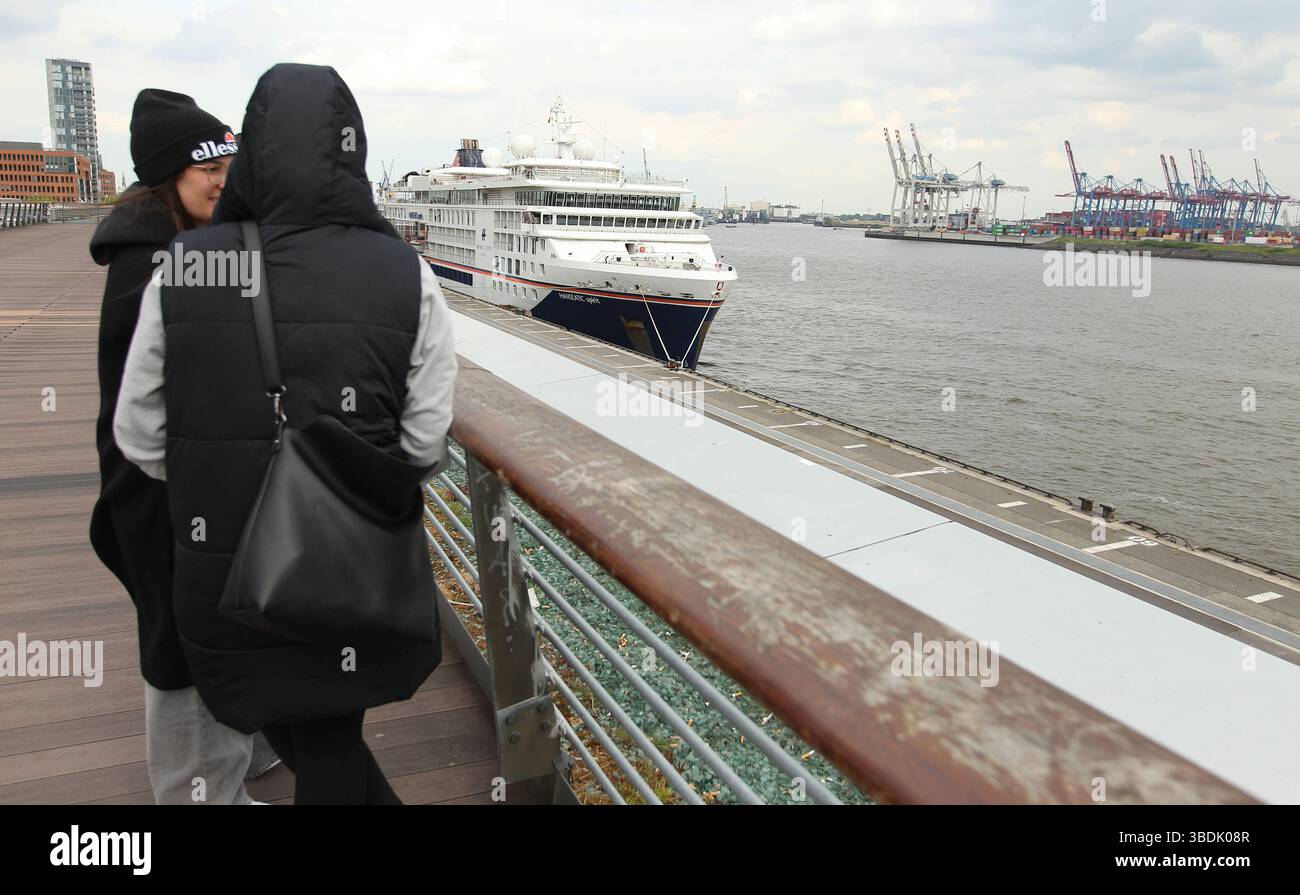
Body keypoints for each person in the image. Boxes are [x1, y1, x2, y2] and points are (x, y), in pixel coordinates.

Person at [113, 63, 458, 804]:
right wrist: (356, 484)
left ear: (255, 150)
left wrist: (221, 483)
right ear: (352, 149)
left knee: (281, 706)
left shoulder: (186, 265)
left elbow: (137, 433)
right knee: (331, 722)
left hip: (223, 565)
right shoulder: (405, 272)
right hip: (350, 555)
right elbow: (427, 438)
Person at [89, 89, 261, 804]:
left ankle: (232, 761)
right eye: (207, 169)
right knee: (182, 643)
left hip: (171, 481)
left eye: (228, 164)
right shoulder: (154, 268)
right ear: (169, 175)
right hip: (161, 489)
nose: (223, 180)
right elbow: (152, 409)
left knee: (199, 628)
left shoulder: (176, 247)